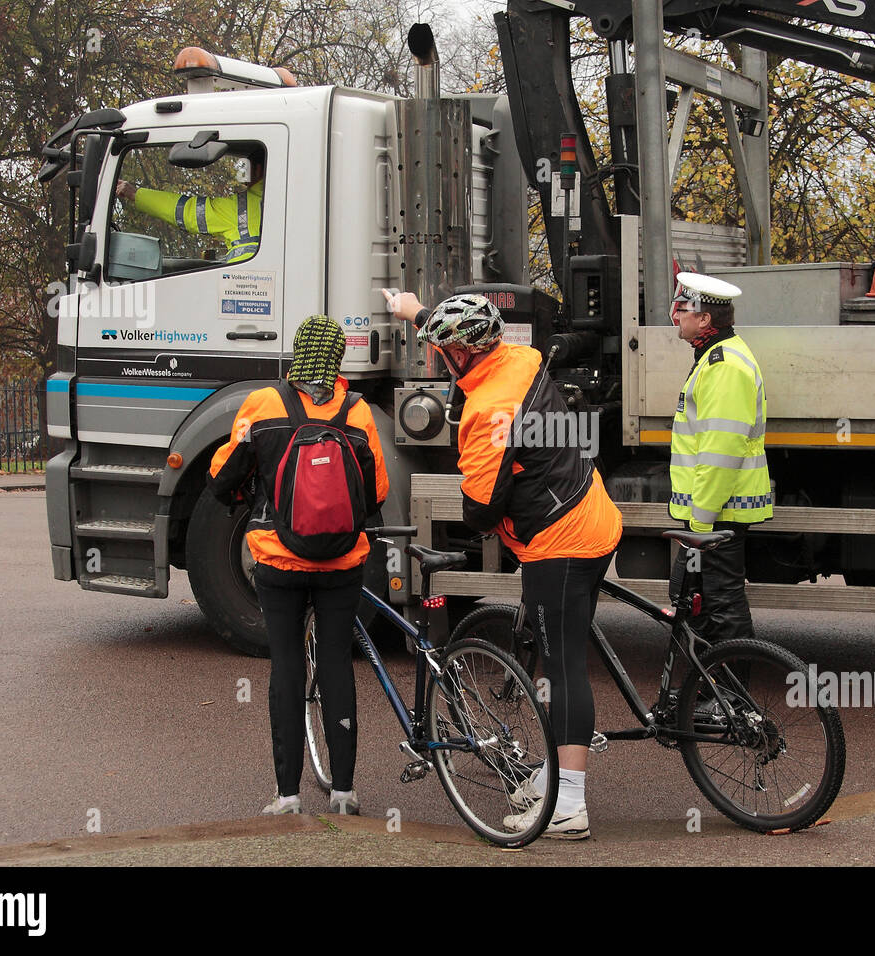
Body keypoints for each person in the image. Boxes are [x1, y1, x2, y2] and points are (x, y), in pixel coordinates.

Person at [384, 289, 622, 840]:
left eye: (437, 349)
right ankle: (556, 775)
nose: (432, 358)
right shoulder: (520, 356)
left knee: (562, 668)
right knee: (553, 655)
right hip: (592, 514)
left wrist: (495, 475)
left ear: (461, 355)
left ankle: (570, 806)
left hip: (558, 544)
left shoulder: (490, 409)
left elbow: (479, 510)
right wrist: (413, 309)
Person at [208, 315, 388, 816]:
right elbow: (376, 495)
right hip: (342, 563)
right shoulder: (357, 412)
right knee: (335, 665)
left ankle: (287, 795)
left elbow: (221, 477)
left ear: (296, 353)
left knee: (286, 665)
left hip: (277, 561)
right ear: (336, 360)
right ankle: (345, 791)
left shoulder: (263, 404)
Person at [667, 272, 772, 646]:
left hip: (717, 516)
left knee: (721, 603)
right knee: (700, 602)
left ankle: (732, 699)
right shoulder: (714, 357)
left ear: (704, 319)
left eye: (682, 308)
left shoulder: (723, 366)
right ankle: (709, 691)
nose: (675, 315)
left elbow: (719, 454)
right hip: (714, 514)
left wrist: (700, 522)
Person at [116, 152, 265, 263]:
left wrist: (135, 194)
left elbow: (187, 212)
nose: (244, 181)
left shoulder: (242, 207)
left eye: (245, 171)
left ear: (257, 169)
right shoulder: (286, 200)